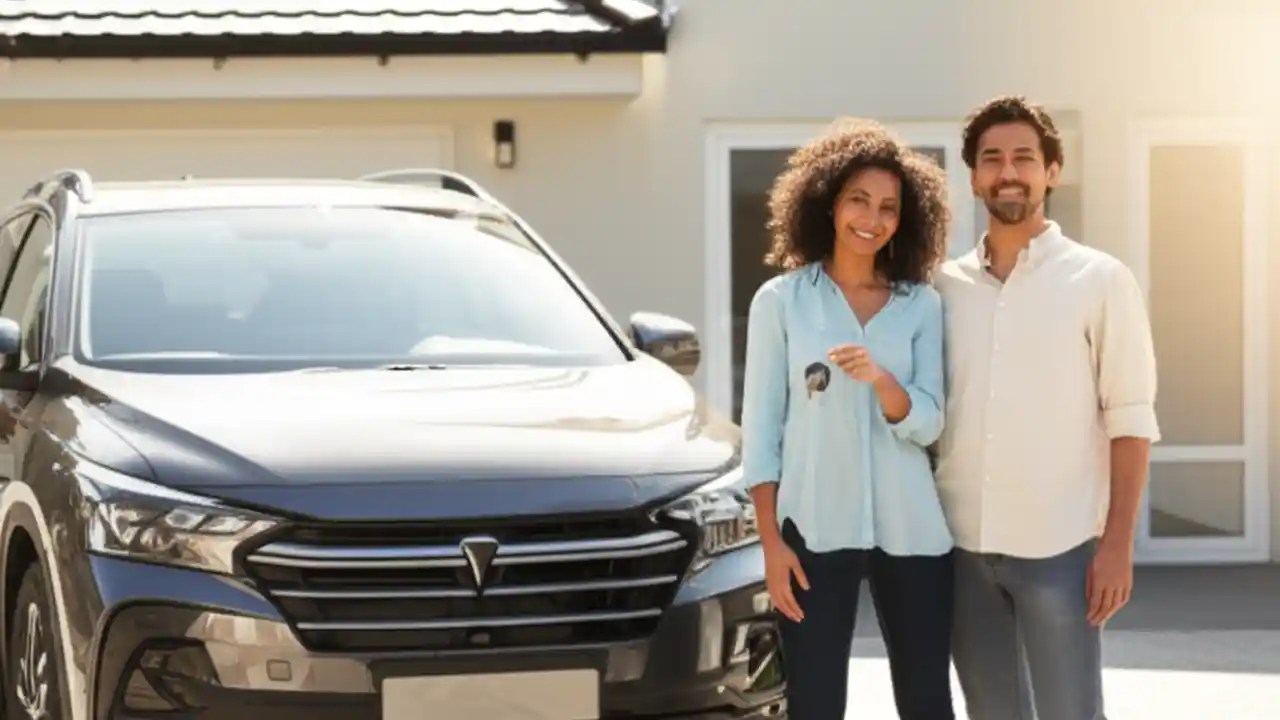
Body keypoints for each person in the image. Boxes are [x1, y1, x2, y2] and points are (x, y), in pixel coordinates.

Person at [933, 95, 1161, 720]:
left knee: (1072, 713)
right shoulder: (941, 286)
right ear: (974, 175)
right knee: (992, 713)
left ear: (1052, 171)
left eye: (1024, 158)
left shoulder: (1100, 280)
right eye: (993, 159)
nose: (1009, 172)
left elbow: (1131, 419)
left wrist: (1117, 544)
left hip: (1060, 549)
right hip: (962, 548)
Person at [739, 118, 955, 720]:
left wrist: (883, 381)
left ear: (904, 220)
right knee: (813, 705)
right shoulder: (780, 302)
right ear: (828, 203)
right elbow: (761, 431)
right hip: (811, 532)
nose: (873, 217)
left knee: (928, 702)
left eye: (889, 206)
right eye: (858, 199)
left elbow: (931, 420)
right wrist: (771, 544)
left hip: (912, 532)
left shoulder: (922, 305)